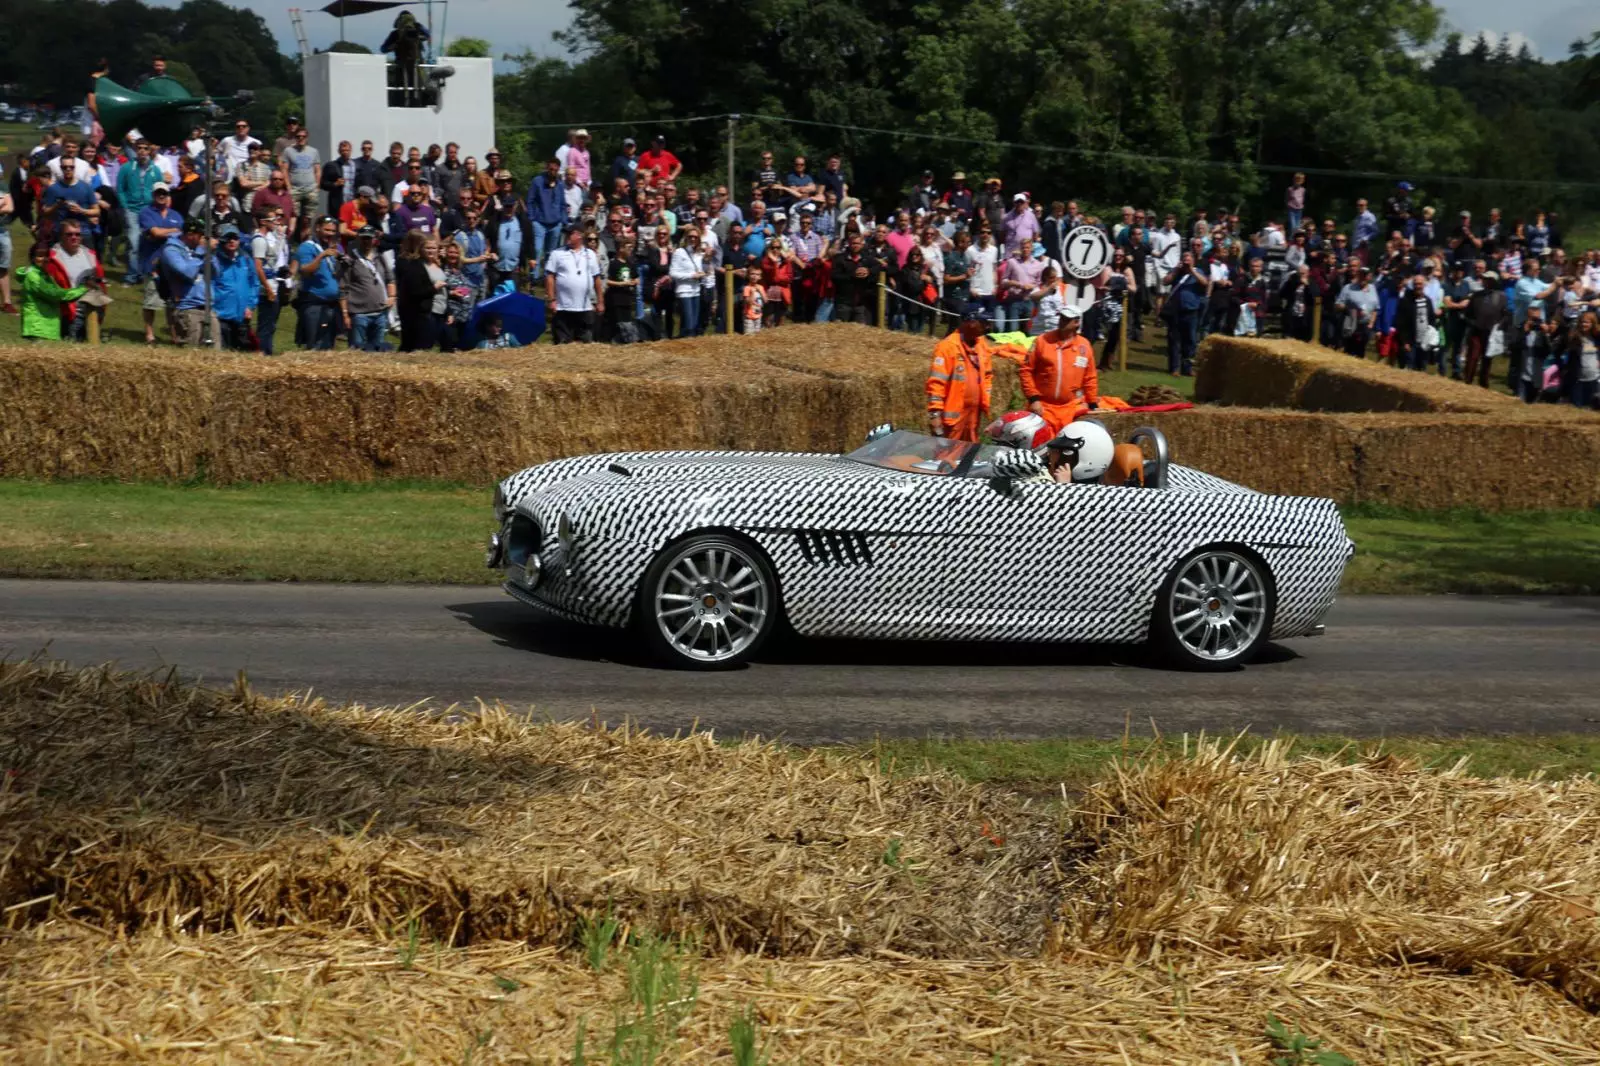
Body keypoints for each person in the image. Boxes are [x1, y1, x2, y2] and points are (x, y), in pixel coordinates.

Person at [926, 304, 998, 441]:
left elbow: (987, 374)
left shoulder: (981, 344)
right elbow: (936, 383)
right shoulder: (947, 347)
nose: (988, 326)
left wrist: (984, 398)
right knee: (947, 457)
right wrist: (935, 414)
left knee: (969, 455)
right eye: (983, 322)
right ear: (970, 322)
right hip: (953, 419)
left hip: (973, 416)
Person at [1020, 305, 1098, 432]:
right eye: (1061, 318)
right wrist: (1034, 399)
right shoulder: (1042, 341)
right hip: (1043, 407)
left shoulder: (1084, 346)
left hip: (1071, 407)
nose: (1062, 322)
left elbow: (1090, 377)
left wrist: (1092, 403)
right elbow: (1026, 370)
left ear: (1077, 322)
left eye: (1067, 319)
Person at [158, 219, 213, 347]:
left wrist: (210, 252)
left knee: (214, 355)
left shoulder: (199, 249)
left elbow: (216, 272)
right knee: (190, 355)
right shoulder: (171, 250)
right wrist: (199, 253)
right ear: (190, 235)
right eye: (201, 236)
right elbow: (186, 272)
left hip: (207, 305)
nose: (203, 239)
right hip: (186, 307)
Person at [17, 241, 87, 341]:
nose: (44, 259)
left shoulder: (45, 275)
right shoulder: (33, 276)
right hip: (38, 328)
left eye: (46, 255)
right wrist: (84, 288)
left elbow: (58, 291)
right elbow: (56, 295)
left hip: (46, 328)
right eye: (40, 256)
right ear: (32, 258)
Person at [340, 225, 395, 352]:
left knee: (378, 351)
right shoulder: (351, 260)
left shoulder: (380, 257)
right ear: (358, 239)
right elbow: (343, 288)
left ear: (374, 240)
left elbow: (390, 279)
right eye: (364, 238)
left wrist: (392, 296)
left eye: (369, 238)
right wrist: (345, 314)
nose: (367, 241)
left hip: (380, 313)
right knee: (358, 351)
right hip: (359, 314)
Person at [545, 225, 603, 343]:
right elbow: (550, 277)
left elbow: (596, 278)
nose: (566, 236)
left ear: (579, 235)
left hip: (584, 307)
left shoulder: (590, 255)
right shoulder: (557, 254)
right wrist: (551, 299)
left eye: (570, 234)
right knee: (562, 342)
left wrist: (600, 301)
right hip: (563, 307)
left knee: (585, 343)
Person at [249, 207, 292, 355]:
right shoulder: (259, 240)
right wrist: (267, 289)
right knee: (266, 323)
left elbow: (273, 256)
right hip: (266, 286)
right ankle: (262, 352)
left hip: (272, 283)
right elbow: (258, 267)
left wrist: (280, 237)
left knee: (271, 323)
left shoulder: (267, 238)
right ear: (263, 222)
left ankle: (268, 350)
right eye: (272, 219)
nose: (276, 222)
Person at [295, 215, 342, 350]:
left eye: (333, 231)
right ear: (318, 229)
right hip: (314, 301)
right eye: (327, 230)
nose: (330, 234)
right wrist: (322, 256)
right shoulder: (307, 247)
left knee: (328, 344)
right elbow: (305, 270)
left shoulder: (335, 247)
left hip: (332, 303)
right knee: (314, 343)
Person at [208, 226, 259, 351]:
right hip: (222, 316)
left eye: (235, 238)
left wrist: (250, 305)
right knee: (224, 353)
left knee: (243, 353)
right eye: (228, 238)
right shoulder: (215, 261)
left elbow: (254, 283)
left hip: (242, 316)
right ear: (222, 240)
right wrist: (213, 309)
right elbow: (210, 286)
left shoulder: (246, 259)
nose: (232, 241)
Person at [393, 230, 444, 350]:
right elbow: (415, 290)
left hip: (423, 309)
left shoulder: (418, 263)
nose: (428, 249)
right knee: (414, 345)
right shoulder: (410, 264)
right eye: (425, 245)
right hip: (413, 310)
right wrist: (434, 288)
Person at [1161, 251, 1208, 375]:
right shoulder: (1176, 271)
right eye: (1184, 258)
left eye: (1189, 258)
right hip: (1175, 311)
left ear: (1193, 260)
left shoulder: (1198, 271)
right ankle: (1174, 368)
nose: (1186, 261)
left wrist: (1191, 270)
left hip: (1191, 310)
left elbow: (1205, 282)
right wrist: (1177, 269)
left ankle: (1187, 368)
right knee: (1174, 340)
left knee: (1190, 340)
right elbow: (1165, 281)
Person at [440, 239, 478, 351]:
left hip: (464, 313)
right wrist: (452, 292)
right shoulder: (442, 269)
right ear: (446, 253)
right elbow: (440, 290)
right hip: (451, 313)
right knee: (450, 345)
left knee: (462, 346)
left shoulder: (460, 270)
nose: (453, 255)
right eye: (451, 252)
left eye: (456, 253)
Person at [1335, 266, 1380, 358]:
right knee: (1349, 352)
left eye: (1365, 275)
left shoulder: (1373, 288)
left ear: (1369, 277)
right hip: (1352, 325)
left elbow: (1376, 308)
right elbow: (1338, 305)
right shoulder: (1348, 288)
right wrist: (1350, 308)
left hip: (1366, 326)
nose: (1363, 278)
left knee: (1362, 353)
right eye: (1361, 275)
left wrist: (1371, 323)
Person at [1566, 310, 1599, 409]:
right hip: (1579, 379)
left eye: (1587, 322)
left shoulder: (1597, 338)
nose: (1584, 324)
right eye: (1582, 322)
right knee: (1578, 408)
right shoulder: (1575, 338)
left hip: (1595, 378)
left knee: (1593, 408)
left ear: (1592, 324)